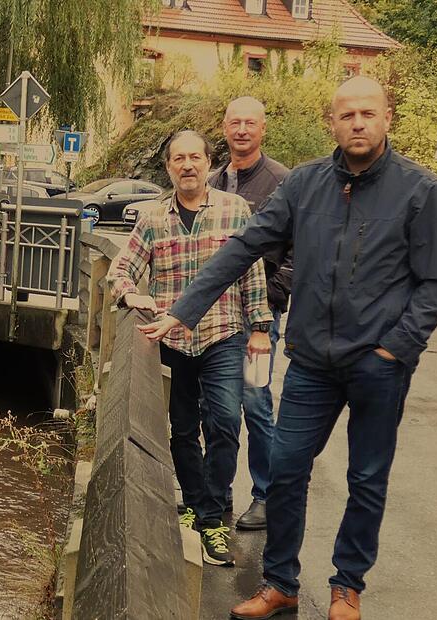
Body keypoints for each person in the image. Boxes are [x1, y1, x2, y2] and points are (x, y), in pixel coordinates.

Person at [139, 77, 437, 620]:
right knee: (286, 469)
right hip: (312, 360)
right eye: (346, 115)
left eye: (367, 113)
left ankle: (346, 586)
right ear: (331, 123)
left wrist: (397, 348)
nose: (357, 123)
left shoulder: (420, 190)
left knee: (366, 476)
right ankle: (281, 582)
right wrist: (183, 309)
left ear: (388, 119)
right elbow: (244, 247)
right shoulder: (306, 184)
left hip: (378, 363)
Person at [106, 130, 272, 567]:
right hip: (173, 338)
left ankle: (212, 514)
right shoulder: (154, 217)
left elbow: (252, 270)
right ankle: (200, 508)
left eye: (195, 157)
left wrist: (260, 327)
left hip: (223, 331)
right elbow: (121, 267)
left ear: (207, 161)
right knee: (181, 430)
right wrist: (130, 294)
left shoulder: (235, 210)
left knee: (224, 424)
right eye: (178, 159)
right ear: (169, 167)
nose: (188, 166)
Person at [208, 96, 292, 532]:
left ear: (263, 128)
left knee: (256, 401)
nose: (242, 130)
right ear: (225, 128)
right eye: (234, 122)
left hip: (261, 318)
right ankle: (218, 489)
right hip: (218, 315)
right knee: (218, 404)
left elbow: (299, 249)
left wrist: (272, 297)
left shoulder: (283, 181)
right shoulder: (213, 180)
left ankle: (264, 495)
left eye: (250, 123)